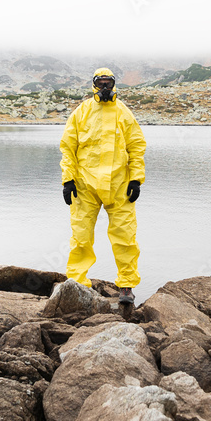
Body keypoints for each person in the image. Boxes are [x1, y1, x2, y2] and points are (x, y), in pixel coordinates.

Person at [59, 68, 146, 305]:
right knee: (81, 236)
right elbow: (68, 147)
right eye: (101, 83)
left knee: (125, 237)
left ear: (114, 84)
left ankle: (126, 286)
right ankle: (76, 284)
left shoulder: (123, 112)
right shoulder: (82, 112)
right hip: (85, 186)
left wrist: (136, 179)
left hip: (119, 186)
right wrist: (68, 180)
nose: (105, 87)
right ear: (94, 85)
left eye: (109, 83)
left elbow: (136, 146)